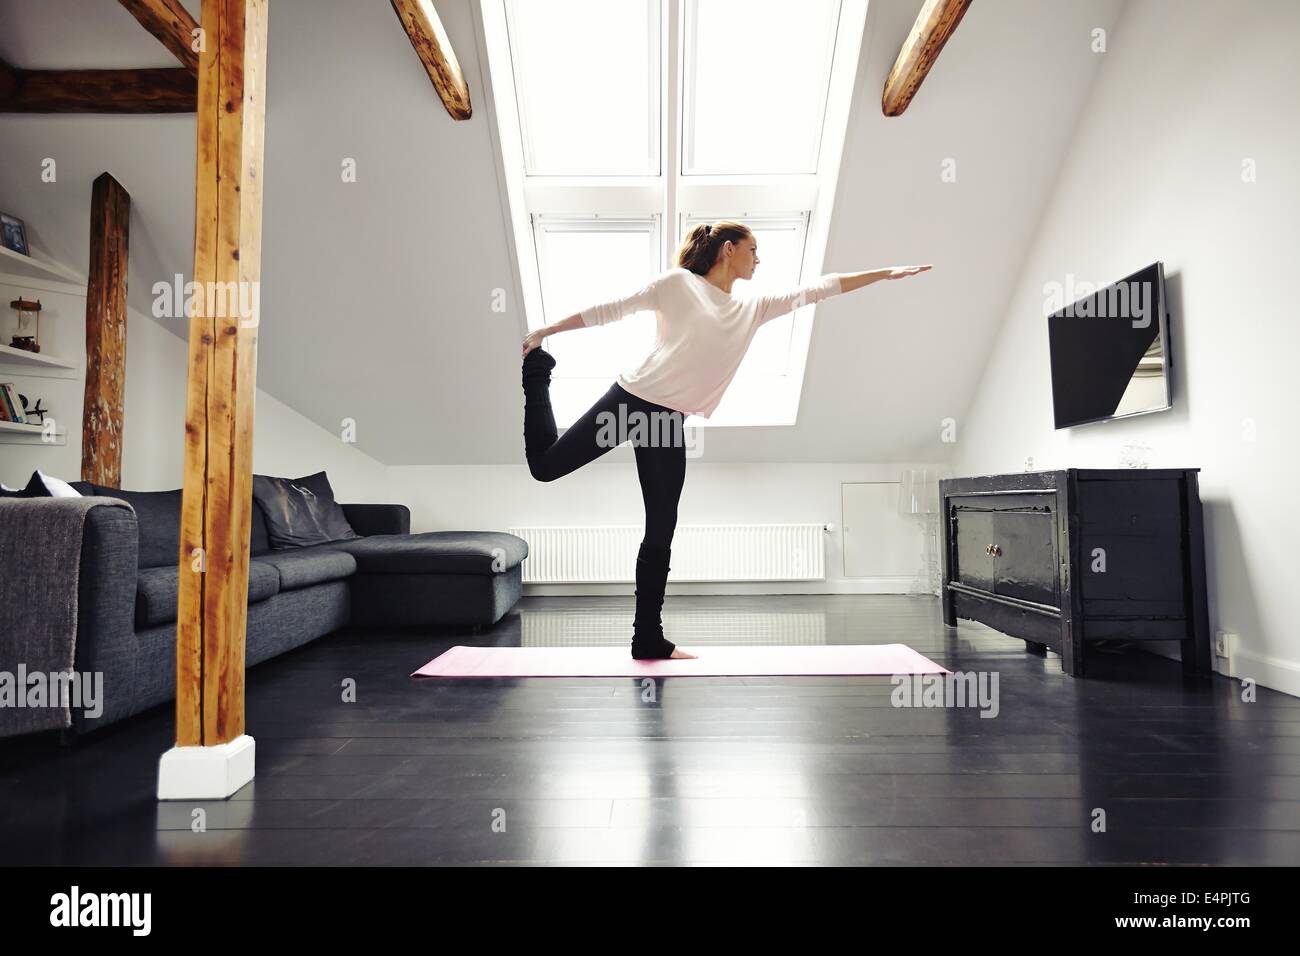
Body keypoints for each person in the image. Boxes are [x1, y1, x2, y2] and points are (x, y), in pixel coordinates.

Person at [520, 219, 931, 659]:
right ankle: (536, 374)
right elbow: (612, 309)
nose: (759, 259)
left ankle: (647, 638)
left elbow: (817, 289)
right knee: (546, 468)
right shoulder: (679, 284)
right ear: (729, 249)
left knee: (661, 527)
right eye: (755, 250)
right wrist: (547, 332)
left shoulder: (750, 310)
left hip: (666, 422)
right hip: (630, 401)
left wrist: (883, 274)